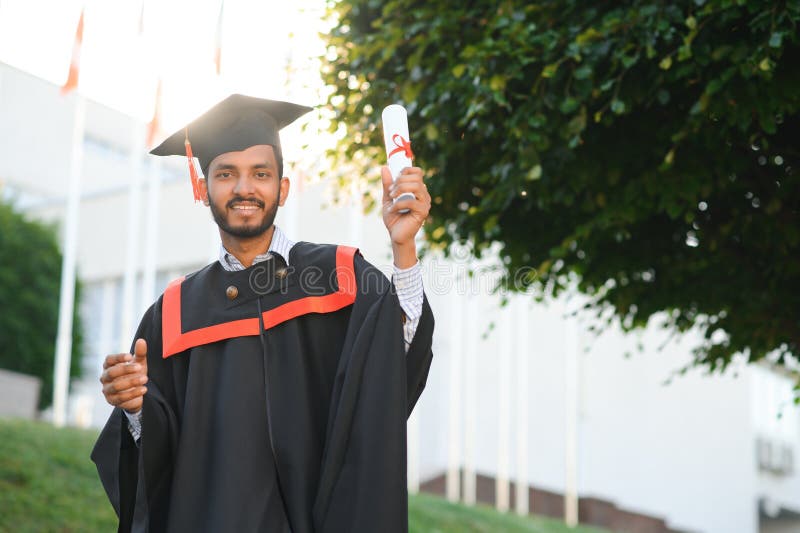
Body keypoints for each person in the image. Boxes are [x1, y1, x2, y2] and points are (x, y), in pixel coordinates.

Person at [91, 94, 434, 533]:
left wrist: (404, 248)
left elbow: (393, 358)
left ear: (283, 188)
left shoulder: (338, 275)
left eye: (260, 174)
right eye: (226, 174)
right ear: (203, 188)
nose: (244, 188)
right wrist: (136, 407)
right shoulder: (175, 312)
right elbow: (158, 464)